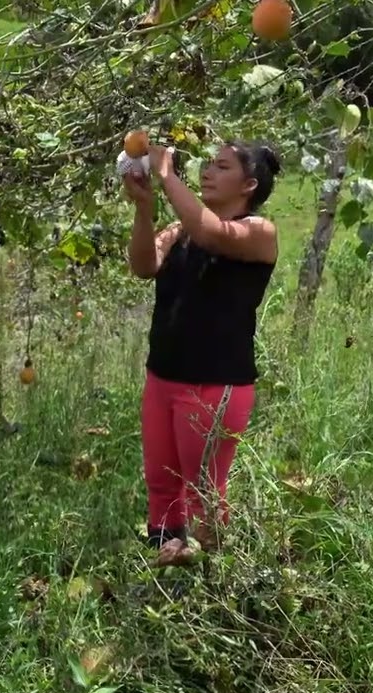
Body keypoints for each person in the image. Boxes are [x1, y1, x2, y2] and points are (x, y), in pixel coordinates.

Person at [122, 141, 281, 566]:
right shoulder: (181, 230)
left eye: (222, 167)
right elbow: (142, 265)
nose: (208, 171)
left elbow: (212, 233)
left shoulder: (258, 232)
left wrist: (166, 175)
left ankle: (210, 577)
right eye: (209, 164)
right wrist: (144, 208)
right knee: (160, 483)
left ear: (248, 185)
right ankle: (164, 572)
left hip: (214, 384)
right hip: (163, 377)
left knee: (202, 489)